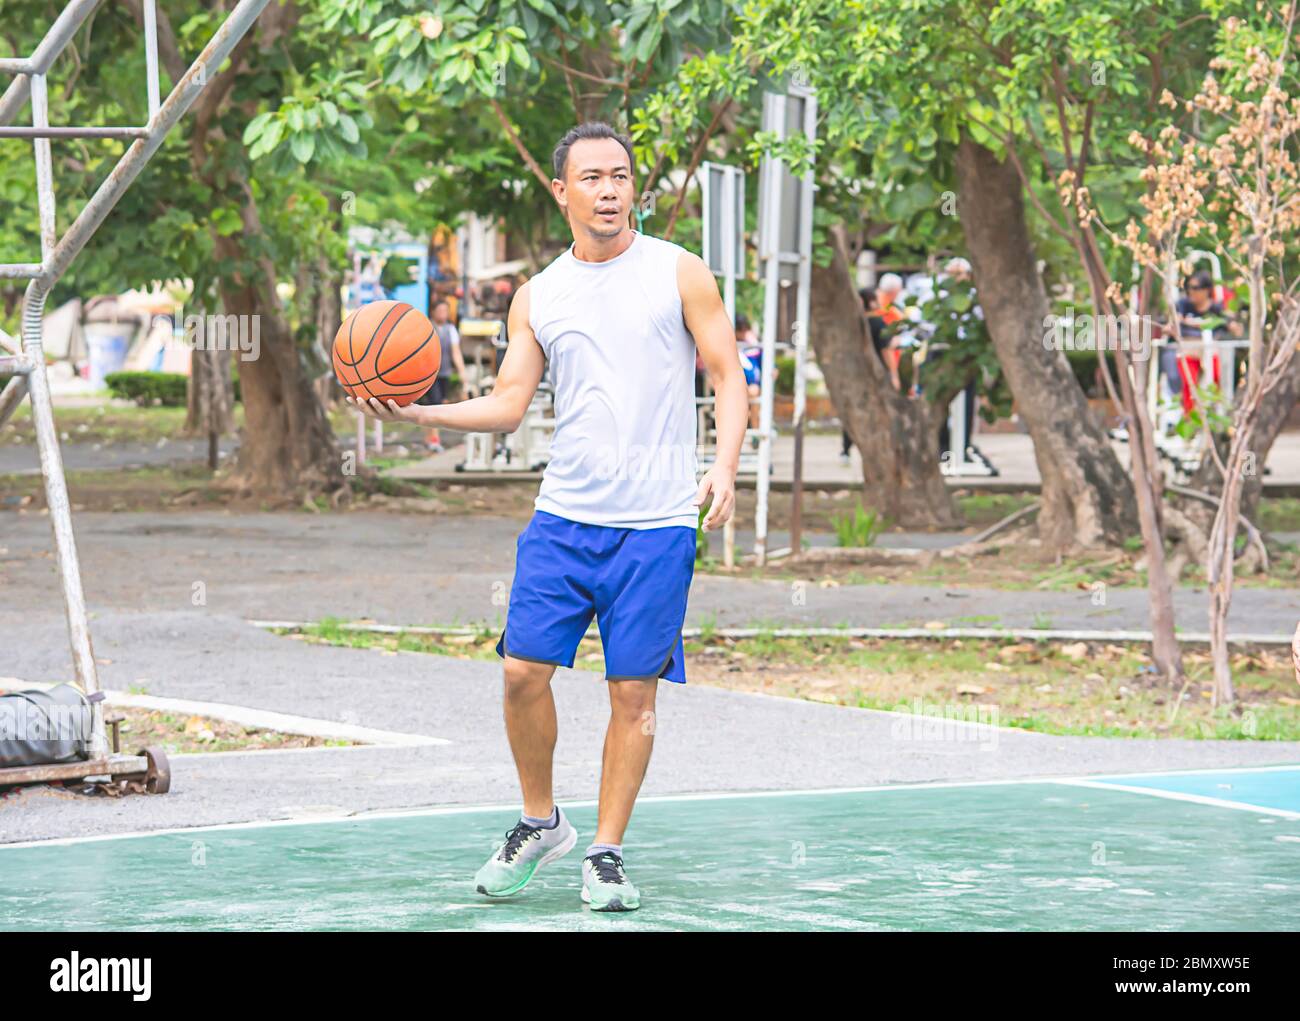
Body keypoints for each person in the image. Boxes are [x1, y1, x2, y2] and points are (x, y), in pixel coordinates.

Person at [348, 121, 748, 912]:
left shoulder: (680, 272)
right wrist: (415, 409)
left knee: (634, 695)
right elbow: (507, 405)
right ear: (561, 191)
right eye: (592, 177)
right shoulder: (540, 294)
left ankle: (605, 851)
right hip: (564, 517)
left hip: (658, 523)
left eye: (622, 176)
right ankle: (542, 820)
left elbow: (729, 375)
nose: (609, 190)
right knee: (522, 672)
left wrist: (725, 463)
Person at [1171, 269, 1242, 416]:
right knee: (1189, 384)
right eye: (1189, 288)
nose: (1191, 292)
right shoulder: (1183, 304)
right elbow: (1174, 323)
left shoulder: (1216, 308)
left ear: (1206, 290)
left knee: (1215, 380)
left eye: (1196, 288)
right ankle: (1190, 418)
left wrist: (1232, 324)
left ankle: (1215, 415)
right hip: (1189, 350)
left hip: (1210, 350)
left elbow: (1231, 325)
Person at [841, 286, 888, 462]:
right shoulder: (878, 322)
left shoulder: (852, 323)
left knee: (852, 410)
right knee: (877, 411)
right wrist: (893, 374)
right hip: (875, 373)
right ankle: (876, 449)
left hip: (853, 372)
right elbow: (886, 350)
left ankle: (846, 449)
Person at [414, 299, 467, 452]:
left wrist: (461, 371)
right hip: (429, 374)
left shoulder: (451, 329)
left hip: (445, 371)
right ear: (433, 312)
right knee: (434, 403)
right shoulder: (426, 328)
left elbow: (455, 352)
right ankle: (434, 439)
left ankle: (429, 437)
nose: (443, 314)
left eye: (446, 311)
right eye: (440, 311)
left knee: (441, 402)